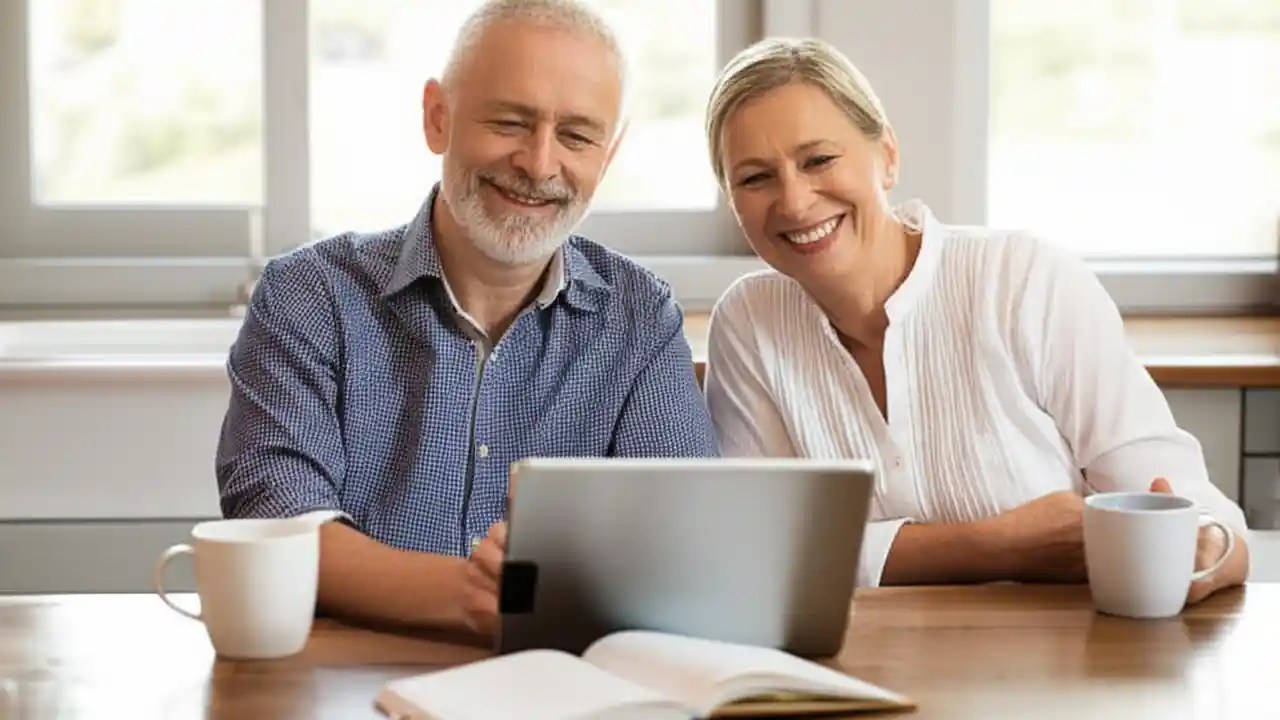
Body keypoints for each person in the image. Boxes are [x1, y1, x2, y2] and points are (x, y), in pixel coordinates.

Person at [216, 0, 717, 638]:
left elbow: (683, 539)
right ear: (437, 118)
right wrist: (477, 596)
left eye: (577, 136)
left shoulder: (641, 316)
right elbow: (277, 526)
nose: (539, 164)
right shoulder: (308, 296)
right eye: (511, 122)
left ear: (608, 154)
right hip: (343, 685)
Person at [702, 37, 1249, 599]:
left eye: (818, 159)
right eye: (754, 178)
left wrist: (1202, 546)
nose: (793, 202)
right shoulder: (750, 323)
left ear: (887, 156)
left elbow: (1197, 516)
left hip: (1063, 669)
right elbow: (757, 550)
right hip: (856, 671)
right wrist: (1003, 545)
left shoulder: (1023, 279)